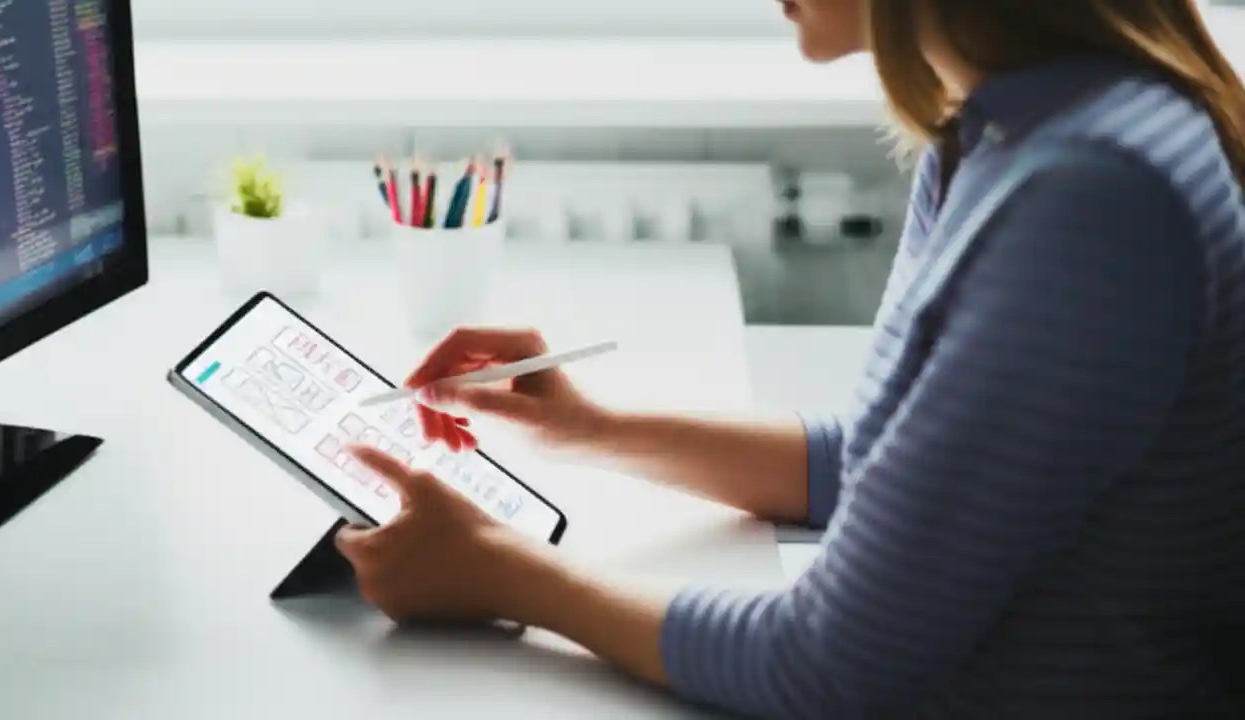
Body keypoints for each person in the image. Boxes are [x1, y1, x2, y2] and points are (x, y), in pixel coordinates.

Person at [334, 1, 1245, 717]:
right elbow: (894, 472)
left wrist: (504, 571)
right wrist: (590, 431)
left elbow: (828, 666)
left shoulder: (1090, 199)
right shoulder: (1000, 131)